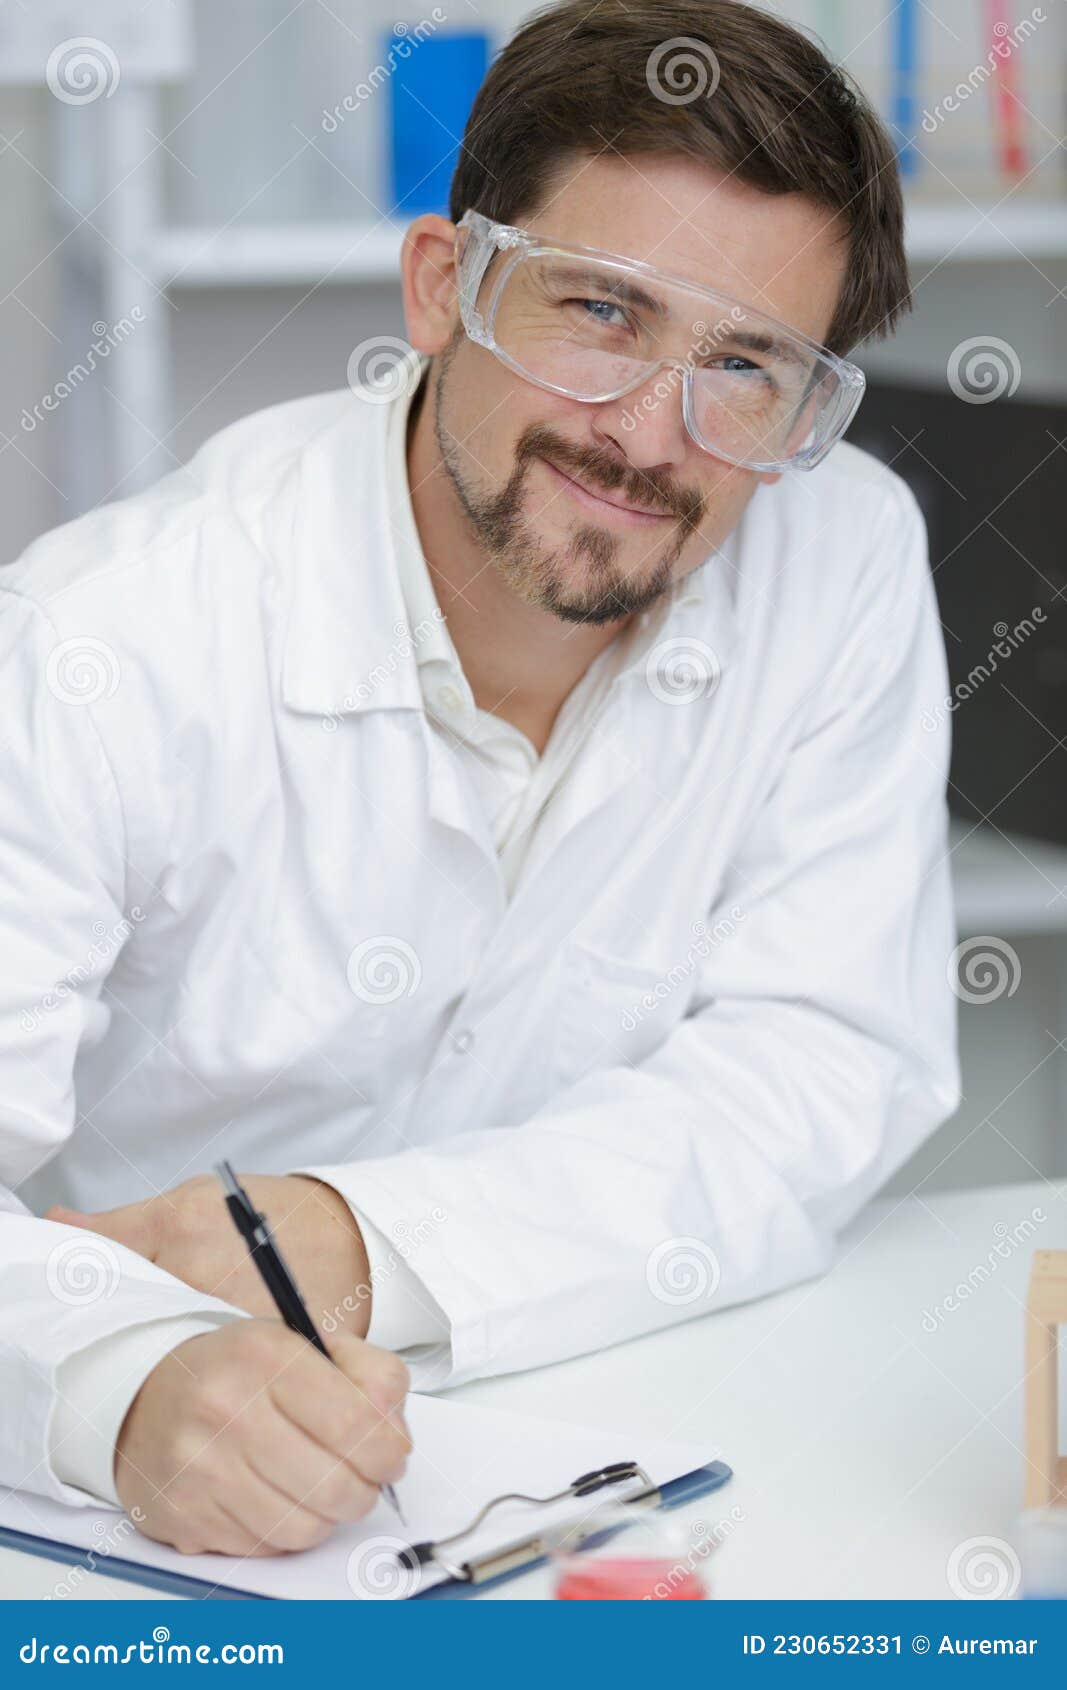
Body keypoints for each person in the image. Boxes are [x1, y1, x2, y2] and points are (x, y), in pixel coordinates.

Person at [0, 0, 960, 1557]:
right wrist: (116, 1384)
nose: (654, 433)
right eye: (601, 312)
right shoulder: (100, 644)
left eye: (749, 363)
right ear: (445, 285)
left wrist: (363, 1242)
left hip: (646, 1437)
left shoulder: (837, 552)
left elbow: (826, 1062)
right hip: (183, 1531)